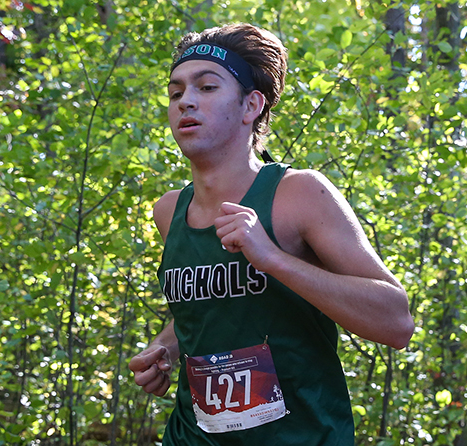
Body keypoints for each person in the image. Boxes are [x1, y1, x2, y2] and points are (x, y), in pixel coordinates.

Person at [128, 23, 414, 445]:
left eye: (206, 88)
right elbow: (212, 307)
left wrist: (273, 258)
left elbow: (396, 322)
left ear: (251, 106)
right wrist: (165, 350)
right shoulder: (170, 211)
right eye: (175, 92)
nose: (186, 101)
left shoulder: (298, 194)